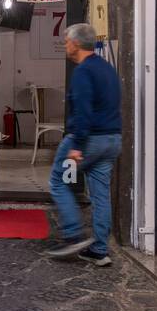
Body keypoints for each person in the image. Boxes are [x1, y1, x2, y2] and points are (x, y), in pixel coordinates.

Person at [47, 22, 122, 265]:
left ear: (76, 43)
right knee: (100, 194)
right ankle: (99, 250)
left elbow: (83, 111)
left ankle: (73, 235)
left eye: (67, 41)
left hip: (88, 141)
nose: (66, 45)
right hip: (111, 140)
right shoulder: (107, 69)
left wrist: (77, 146)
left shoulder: (83, 71)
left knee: (59, 181)